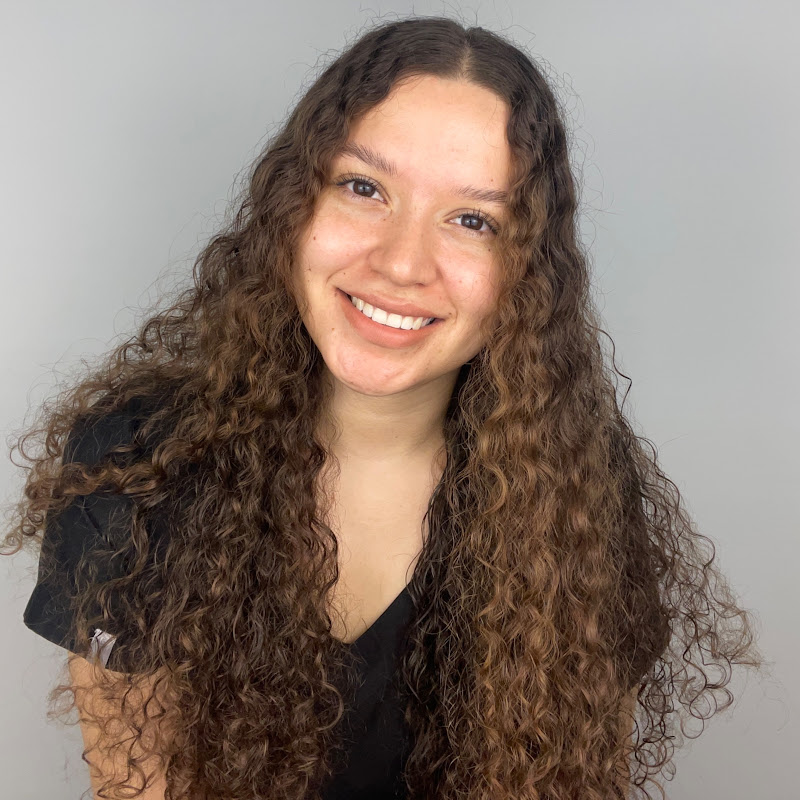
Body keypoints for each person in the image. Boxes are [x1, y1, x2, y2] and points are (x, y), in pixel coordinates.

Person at [2, 15, 762, 800]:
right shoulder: (134, 460)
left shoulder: (579, 487)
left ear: (527, 273)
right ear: (294, 204)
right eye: (364, 188)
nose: (402, 263)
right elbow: (137, 784)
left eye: (473, 220)